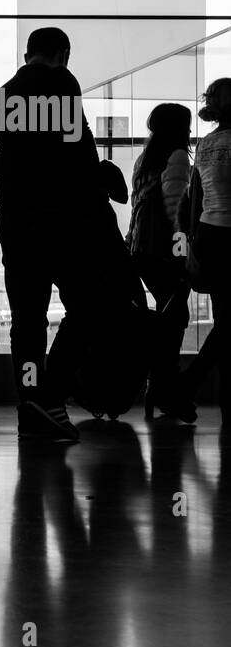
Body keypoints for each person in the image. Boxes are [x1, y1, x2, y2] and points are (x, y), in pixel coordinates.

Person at [0, 27, 120, 441]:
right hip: (65, 221)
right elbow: (79, 147)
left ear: (26, 54)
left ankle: (31, 402)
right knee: (87, 306)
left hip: (17, 223)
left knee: (26, 318)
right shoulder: (63, 82)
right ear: (63, 54)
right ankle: (52, 393)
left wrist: (20, 172)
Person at [125, 103, 196, 420]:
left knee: (170, 317)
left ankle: (160, 387)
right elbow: (175, 207)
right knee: (175, 317)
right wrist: (184, 252)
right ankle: (164, 389)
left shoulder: (144, 158)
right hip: (164, 248)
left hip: (141, 246)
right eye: (187, 125)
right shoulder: (178, 156)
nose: (191, 130)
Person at [185, 78, 231, 414]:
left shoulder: (205, 143)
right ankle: (187, 384)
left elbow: (195, 198)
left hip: (209, 234)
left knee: (225, 320)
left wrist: (191, 242)